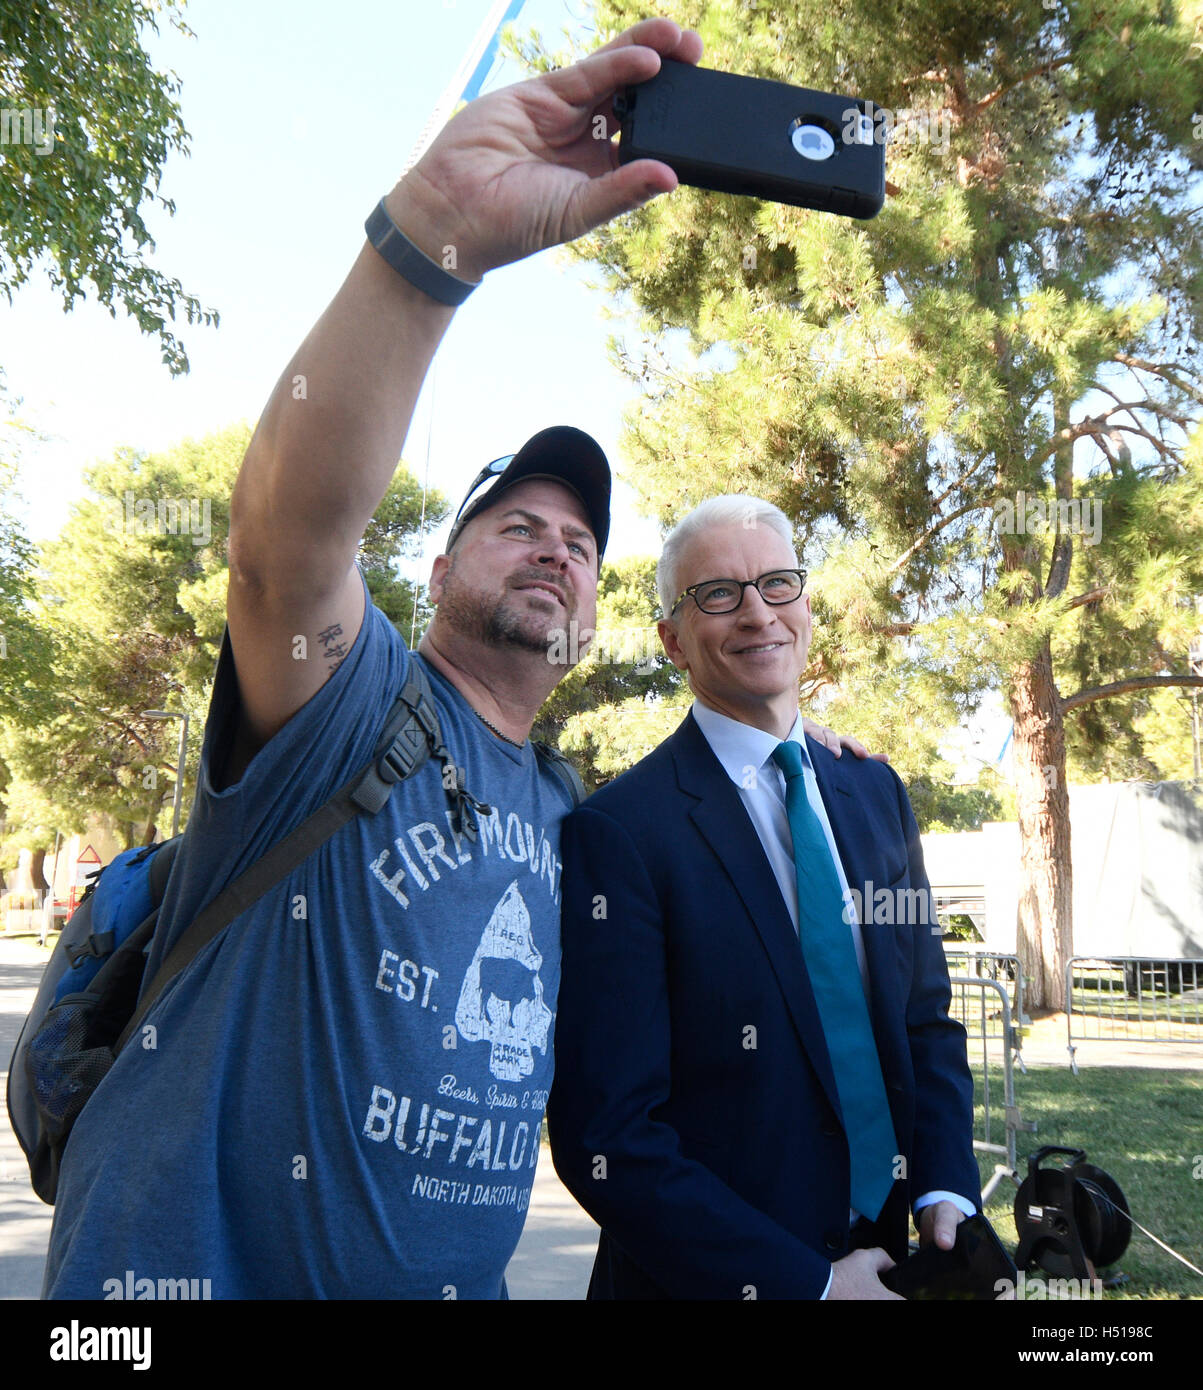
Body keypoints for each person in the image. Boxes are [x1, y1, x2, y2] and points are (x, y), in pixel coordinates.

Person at [40, 19, 865, 1299]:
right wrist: (434, 237)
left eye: (581, 544)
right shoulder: (345, 699)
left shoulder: (573, 813)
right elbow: (283, 545)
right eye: (513, 528)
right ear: (434, 574)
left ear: (597, 616)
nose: (552, 550)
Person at [547, 494, 982, 1300]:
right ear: (672, 640)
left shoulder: (874, 790)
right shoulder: (619, 833)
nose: (756, 613)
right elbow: (605, 1134)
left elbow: (924, 1018)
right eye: (718, 594)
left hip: (892, 1262)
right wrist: (805, 1286)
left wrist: (944, 1189)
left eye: (777, 583)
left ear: (806, 606)